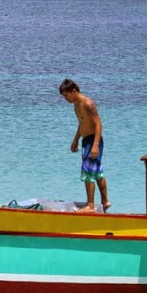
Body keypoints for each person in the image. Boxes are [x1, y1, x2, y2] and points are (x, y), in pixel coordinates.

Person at [59, 78, 109, 212]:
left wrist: (95, 145)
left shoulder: (88, 104)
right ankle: (105, 201)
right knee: (97, 172)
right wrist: (75, 139)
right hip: (86, 140)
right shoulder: (76, 105)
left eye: (66, 95)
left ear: (73, 91)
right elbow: (82, 123)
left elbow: (98, 124)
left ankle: (91, 205)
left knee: (88, 172)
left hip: (93, 140)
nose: (65, 99)